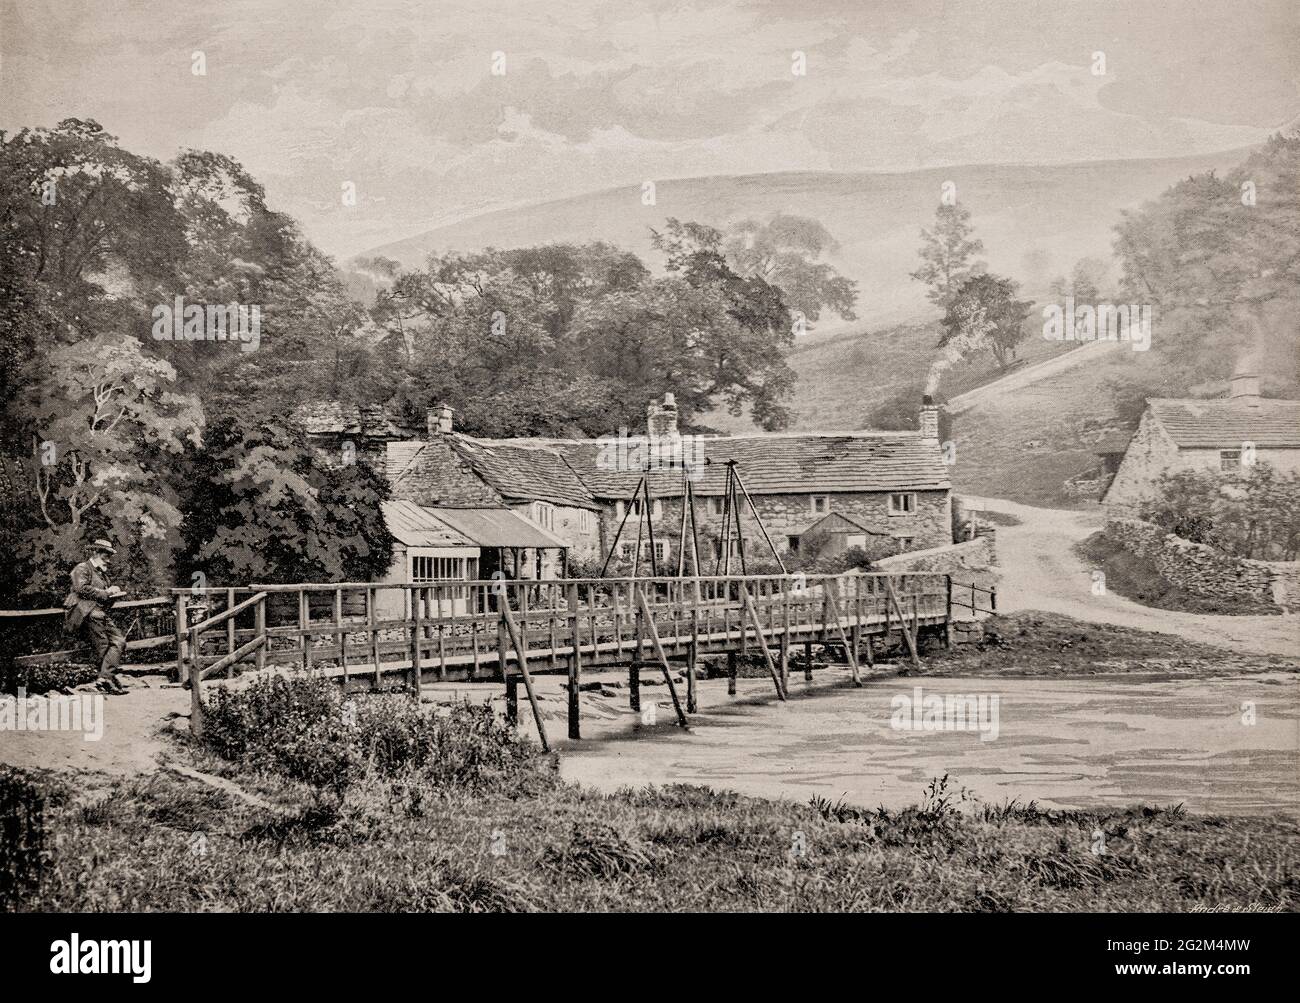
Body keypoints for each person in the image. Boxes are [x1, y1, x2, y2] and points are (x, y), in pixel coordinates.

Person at [64, 539, 128, 695]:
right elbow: (81, 588)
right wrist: (106, 593)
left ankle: (105, 678)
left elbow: (101, 593)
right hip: (86, 612)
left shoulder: (101, 573)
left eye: (109, 555)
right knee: (103, 646)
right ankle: (107, 680)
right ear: (95, 553)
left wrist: (113, 592)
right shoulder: (82, 568)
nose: (108, 558)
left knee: (119, 642)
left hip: (99, 613)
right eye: (105, 554)